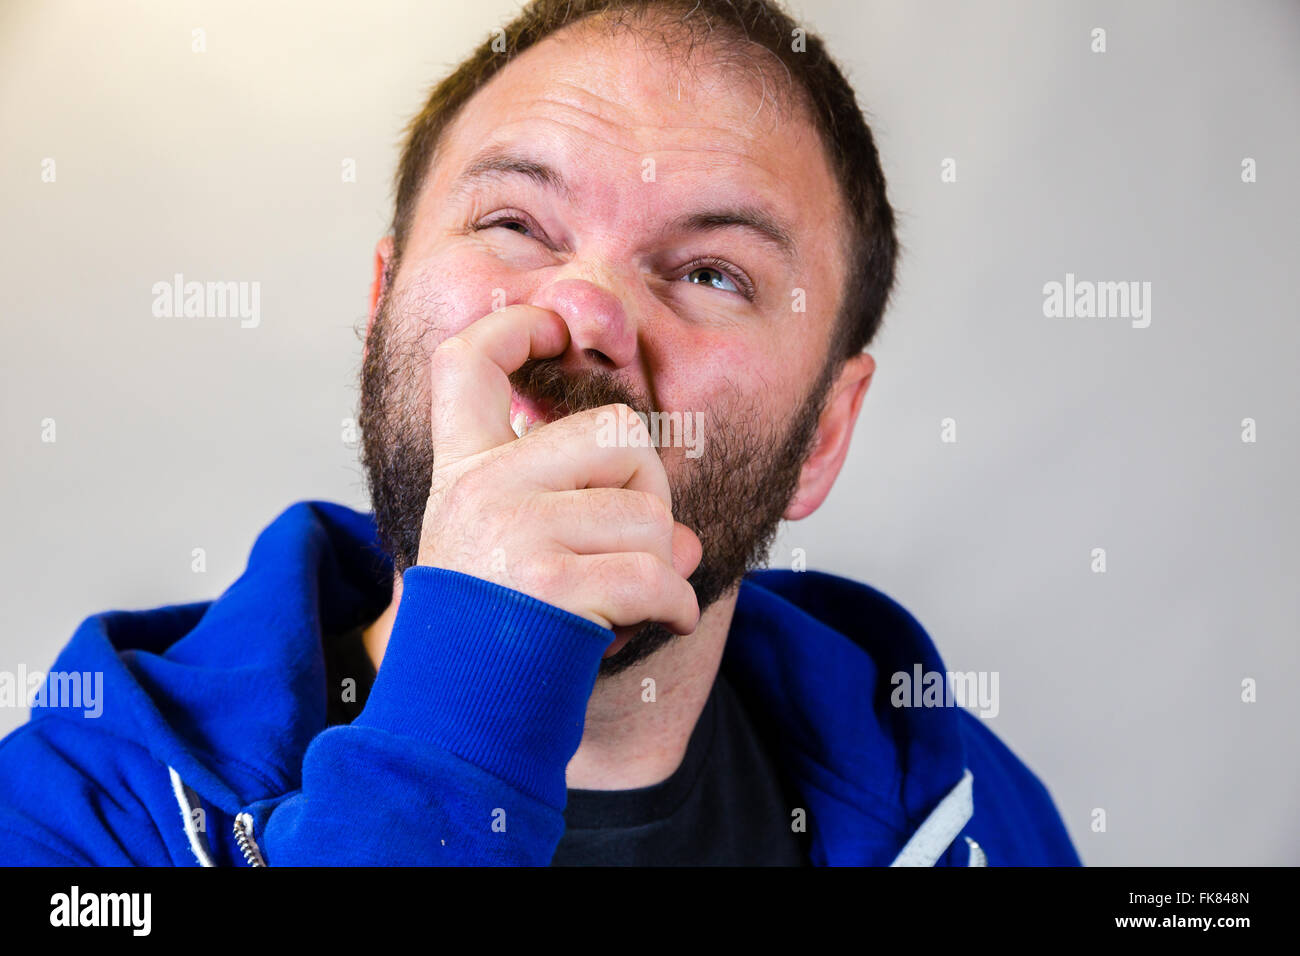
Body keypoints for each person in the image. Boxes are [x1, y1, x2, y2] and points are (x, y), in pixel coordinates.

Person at [0, 0, 1080, 866]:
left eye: (711, 272)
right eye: (514, 224)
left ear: (823, 435)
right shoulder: (72, 816)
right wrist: (466, 701)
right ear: (383, 310)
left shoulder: (979, 822)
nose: (588, 312)